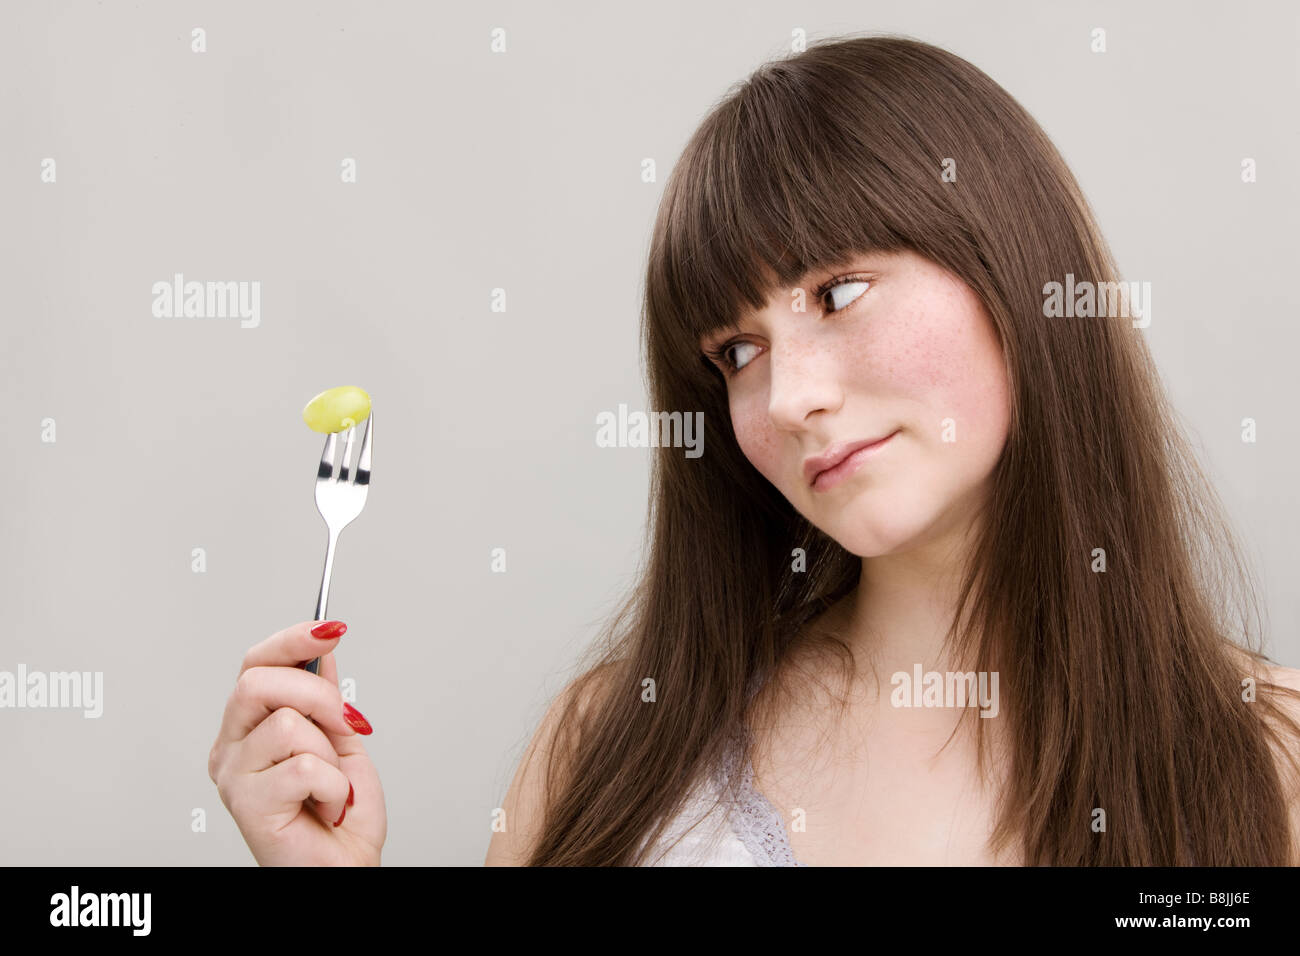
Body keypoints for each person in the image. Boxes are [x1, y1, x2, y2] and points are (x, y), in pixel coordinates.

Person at [208, 33, 1300, 867]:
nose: (791, 397)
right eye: (736, 351)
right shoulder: (612, 747)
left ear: (1014, 264)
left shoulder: (1268, 763)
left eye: (839, 292)